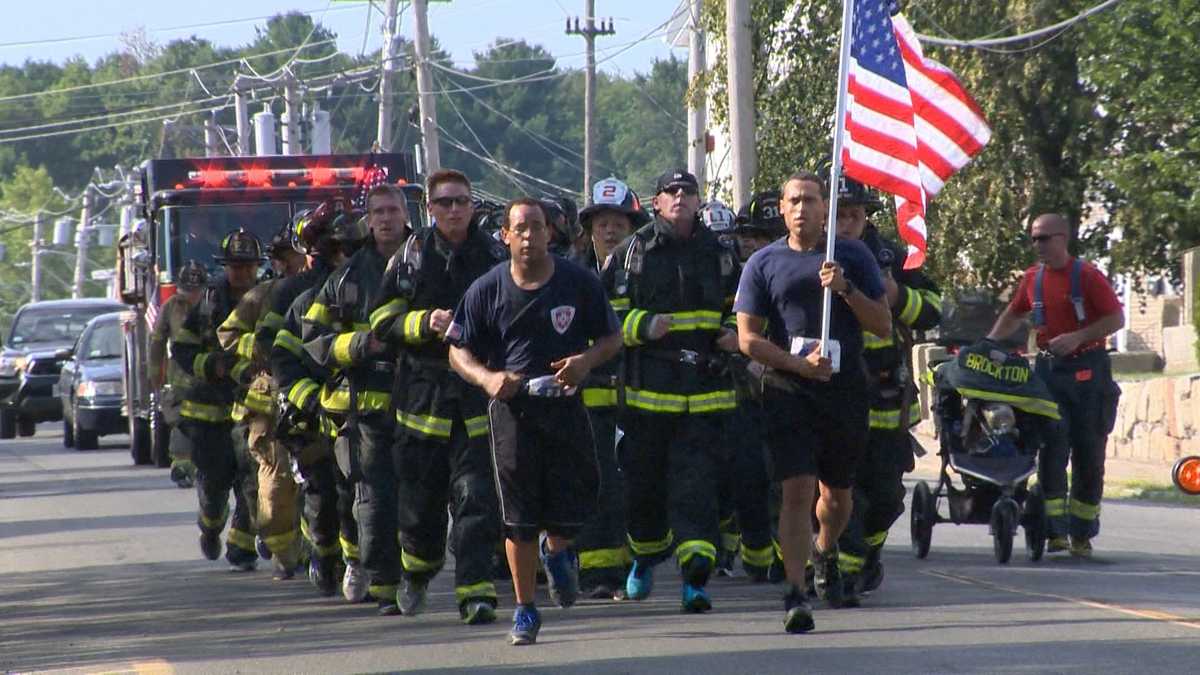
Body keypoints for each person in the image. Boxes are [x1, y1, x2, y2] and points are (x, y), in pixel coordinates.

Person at [448, 197, 622, 645]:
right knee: (519, 519)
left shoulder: (577, 282)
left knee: (575, 502)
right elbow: (457, 350)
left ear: (550, 233)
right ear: (505, 236)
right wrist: (488, 378)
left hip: (565, 410)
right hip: (513, 413)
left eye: (537, 228)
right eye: (519, 229)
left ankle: (558, 552)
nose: (528, 236)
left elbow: (611, 338)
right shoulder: (486, 289)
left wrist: (585, 362)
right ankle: (525, 609)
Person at [734, 171, 890, 633]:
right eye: (794, 201)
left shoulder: (853, 256)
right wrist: (797, 365)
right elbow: (747, 339)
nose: (802, 209)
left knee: (836, 497)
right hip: (788, 390)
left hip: (843, 393)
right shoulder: (763, 263)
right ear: (782, 209)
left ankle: (826, 549)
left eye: (811, 200)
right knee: (796, 491)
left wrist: (845, 289)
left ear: (826, 209)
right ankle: (796, 591)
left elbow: (882, 324)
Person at [368, 169, 507, 625]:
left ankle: (475, 592)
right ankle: (418, 569)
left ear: (472, 205)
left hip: (475, 398)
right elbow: (382, 321)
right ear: (430, 208)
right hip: (421, 397)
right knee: (419, 507)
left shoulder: (494, 254)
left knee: (476, 496)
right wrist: (422, 322)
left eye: (461, 201)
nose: (453, 209)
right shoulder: (409, 257)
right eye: (444, 202)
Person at [600, 168, 740, 613]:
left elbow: (746, 307)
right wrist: (641, 325)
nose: (680, 197)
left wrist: (736, 332)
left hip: (706, 396)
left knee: (696, 490)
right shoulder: (631, 253)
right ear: (656, 201)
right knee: (644, 492)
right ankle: (643, 557)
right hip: (647, 398)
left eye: (688, 191)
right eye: (671, 191)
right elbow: (603, 320)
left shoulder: (721, 254)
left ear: (699, 201)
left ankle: (694, 582)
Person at [987, 213, 1123, 557]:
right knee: (1051, 450)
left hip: (1090, 373)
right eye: (1033, 238)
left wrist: (1078, 337)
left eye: (1044, 238)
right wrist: (987, 343)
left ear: (1064, 238)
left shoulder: (1088, 276)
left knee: (1089, 453)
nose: (1037, 245)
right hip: (1049, 373)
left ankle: (1082, 534)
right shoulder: (1032, 279)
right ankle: (1054, 533)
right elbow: (1013, 315)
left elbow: (1115, 318)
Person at [832, 176, 942, 604]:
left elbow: (933, 306)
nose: (846, 224)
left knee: (885, 495)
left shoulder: (890, 258)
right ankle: (843, 569)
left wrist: (898, 297)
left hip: (885, 400)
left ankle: (863, 555)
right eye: (838, 215)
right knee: (841, 493)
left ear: (866, 217)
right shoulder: (804, 254)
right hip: (830, 395)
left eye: (854, 215)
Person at [302, 184, 410, 613]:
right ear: (369, 219)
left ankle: (417, 570)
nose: (385, 219)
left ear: (407, 215)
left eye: (393, 211)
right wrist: (363, 345)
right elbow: (314, 339)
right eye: (378, 212)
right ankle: (384, 584)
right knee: (374, 499)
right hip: (367, 409)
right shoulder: (345, 278)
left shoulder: (428, 262)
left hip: (428, 401)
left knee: (424, 497)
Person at [271, 206, 367, 599]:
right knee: (324, 497)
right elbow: (281, 356)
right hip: (315, 417)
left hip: (366, 414)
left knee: (356, 495)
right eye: (340, 248)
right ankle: (327, 559)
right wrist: (307, 399)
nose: (347, 255)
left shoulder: (379, 287)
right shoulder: (302, 296)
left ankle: (361, 563)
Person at [171, 229, 268, 571]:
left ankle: (241, 548)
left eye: (247, 266)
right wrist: (211, 365)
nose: (240, 272)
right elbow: (181, 348)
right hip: (208, 413)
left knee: (251, 479)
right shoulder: (210, 302)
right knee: (213, 484)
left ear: (258, 265)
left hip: (252, 408)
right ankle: (211, 526)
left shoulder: (267, 296)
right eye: (234, 266)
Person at [571, 177, 647, 598]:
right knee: (592, 479)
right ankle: (599, 572)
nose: (610, 229)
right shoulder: (570, 270)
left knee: (634, 480)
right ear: (589, 228)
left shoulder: (647, 268)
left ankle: (633, 561)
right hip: (585, 394)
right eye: (601, 222)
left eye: (619, 221)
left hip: (637, 390)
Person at [150, 260, 207, 489]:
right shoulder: (171, 306)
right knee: (182, 421)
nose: (191, 298)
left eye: (196, 292)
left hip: (211, 373)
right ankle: (183, 467)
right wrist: (156, 377)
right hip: (180, 376)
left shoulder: (214, 304)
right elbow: (157, 342)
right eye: (187, 293)